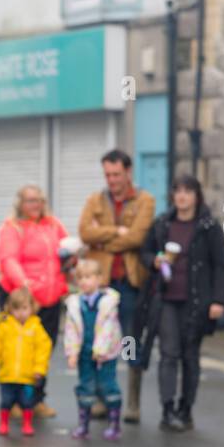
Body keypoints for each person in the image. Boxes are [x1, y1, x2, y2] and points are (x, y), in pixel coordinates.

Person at [135, 173, 224, 432]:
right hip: (166, 299)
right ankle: (167, 410)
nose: (182, 196)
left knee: (190, 356)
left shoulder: (208, 226)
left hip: (197, 302)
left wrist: (218, 300)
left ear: (196, 196)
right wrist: (153, 261)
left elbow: (221, 265)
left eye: (187, 191)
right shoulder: (163, 224)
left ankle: (185, 409)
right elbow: (144, 252)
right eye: (177, 190)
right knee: (168, 354)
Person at [79, 150, 156, 424]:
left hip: (130, 284)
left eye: (116, 174)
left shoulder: (145, 200)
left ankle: (132, 403)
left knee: (130, 342)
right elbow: (85, 232)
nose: (111, 180)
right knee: (98, 340)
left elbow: (137, 237)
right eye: (108, 175)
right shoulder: (94, 199)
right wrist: (116, 232)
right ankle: (101, 398)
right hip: (100, 284)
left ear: (128, 173)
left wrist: (103, 240)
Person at [0, 185, 68, 418]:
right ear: (20, 203)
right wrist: (24, 284)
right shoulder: (12, 228)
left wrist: (73, 259)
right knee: (17, 351)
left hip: (51, 298)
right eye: (29, 201)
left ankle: (36, 399)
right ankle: (14, 401)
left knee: (42, 351)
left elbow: (64, 251)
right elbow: (8, 259)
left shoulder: (53, 225)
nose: (34, 205)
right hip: (23, 302)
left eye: (38, 200)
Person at [65, 259, 124, 441]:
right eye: (80, 278)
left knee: (108, 385)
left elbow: (108, 328)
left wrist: (100, 350)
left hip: (105, 354)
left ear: (99, 279)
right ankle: (84, 425)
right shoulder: (74, 304)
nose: (84, 281)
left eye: (88, 277)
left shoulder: (108, 303)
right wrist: (72, 352)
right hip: (84, 353)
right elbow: (71, 330)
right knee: (85, 386)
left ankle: (114, 423)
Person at [0, 286, 51, 438]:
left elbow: (43, 349)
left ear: (32, 308)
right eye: (16, 308)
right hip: (7, 375)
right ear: (9, 309)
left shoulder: (36, 327)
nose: (21, 313)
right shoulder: (4, 327)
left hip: (28, 376)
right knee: (6, 401)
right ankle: (4, 424)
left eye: (25, 308)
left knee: (27, 402)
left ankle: (27, 424)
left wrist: (40, 368)